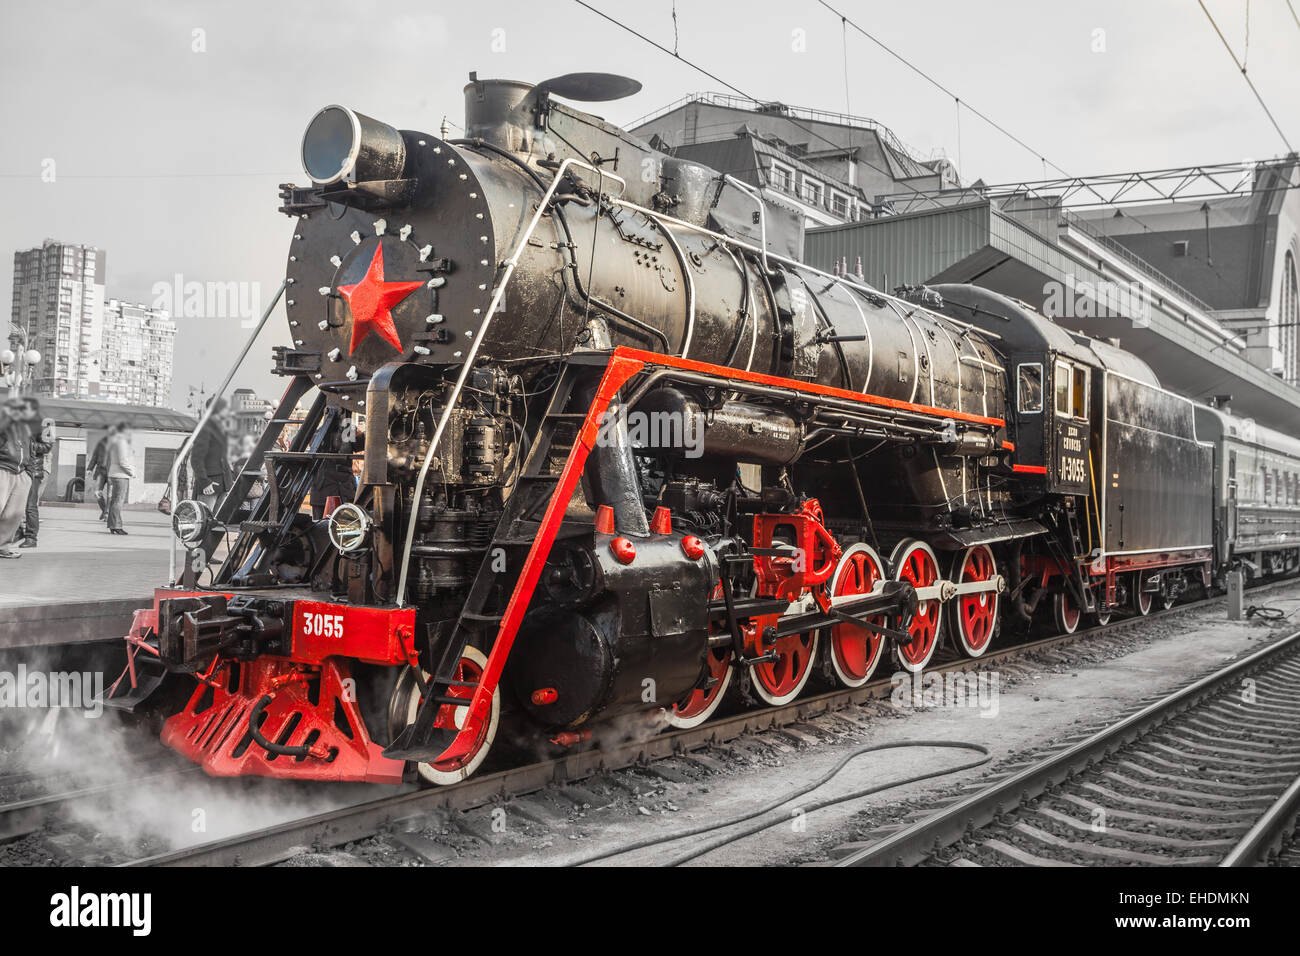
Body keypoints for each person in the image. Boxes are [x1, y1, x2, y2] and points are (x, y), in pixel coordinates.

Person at [0, 397, 34, 559]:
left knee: (13, 513)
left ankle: (3, 546)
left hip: (21, 473)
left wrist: (29, 474)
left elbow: (31, 450)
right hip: (3, 468)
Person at [16, 396, 51, 548]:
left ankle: (31, 537)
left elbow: (47, 446)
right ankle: (17, 531)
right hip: (18, 468)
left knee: (30, 505)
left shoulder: (44, 424)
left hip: (34, 470)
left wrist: (27, 446)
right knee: (15, 503)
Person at [190, 397, 231, 510]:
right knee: (204, 521)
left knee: (216, 521)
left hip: (223, 484)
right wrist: (205, 481)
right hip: (209, 484)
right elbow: (196, 459)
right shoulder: (205, 428)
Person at [105, 421, 135, 536]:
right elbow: (123, 461)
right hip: (121, 474)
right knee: (118, 501)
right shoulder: (121, 441)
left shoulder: (114, 441)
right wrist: (131, 472)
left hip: (114, 473)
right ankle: (117, 526)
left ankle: (112, 526)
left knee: (114, 501)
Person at [87, 426, 114, 520]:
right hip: (100, 471)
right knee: (97, 493)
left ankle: (107, 514)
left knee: (110, 495)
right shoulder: (100, 443)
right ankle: (104, 511)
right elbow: (94, 456)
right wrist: (90, 468)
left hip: (112, 472)